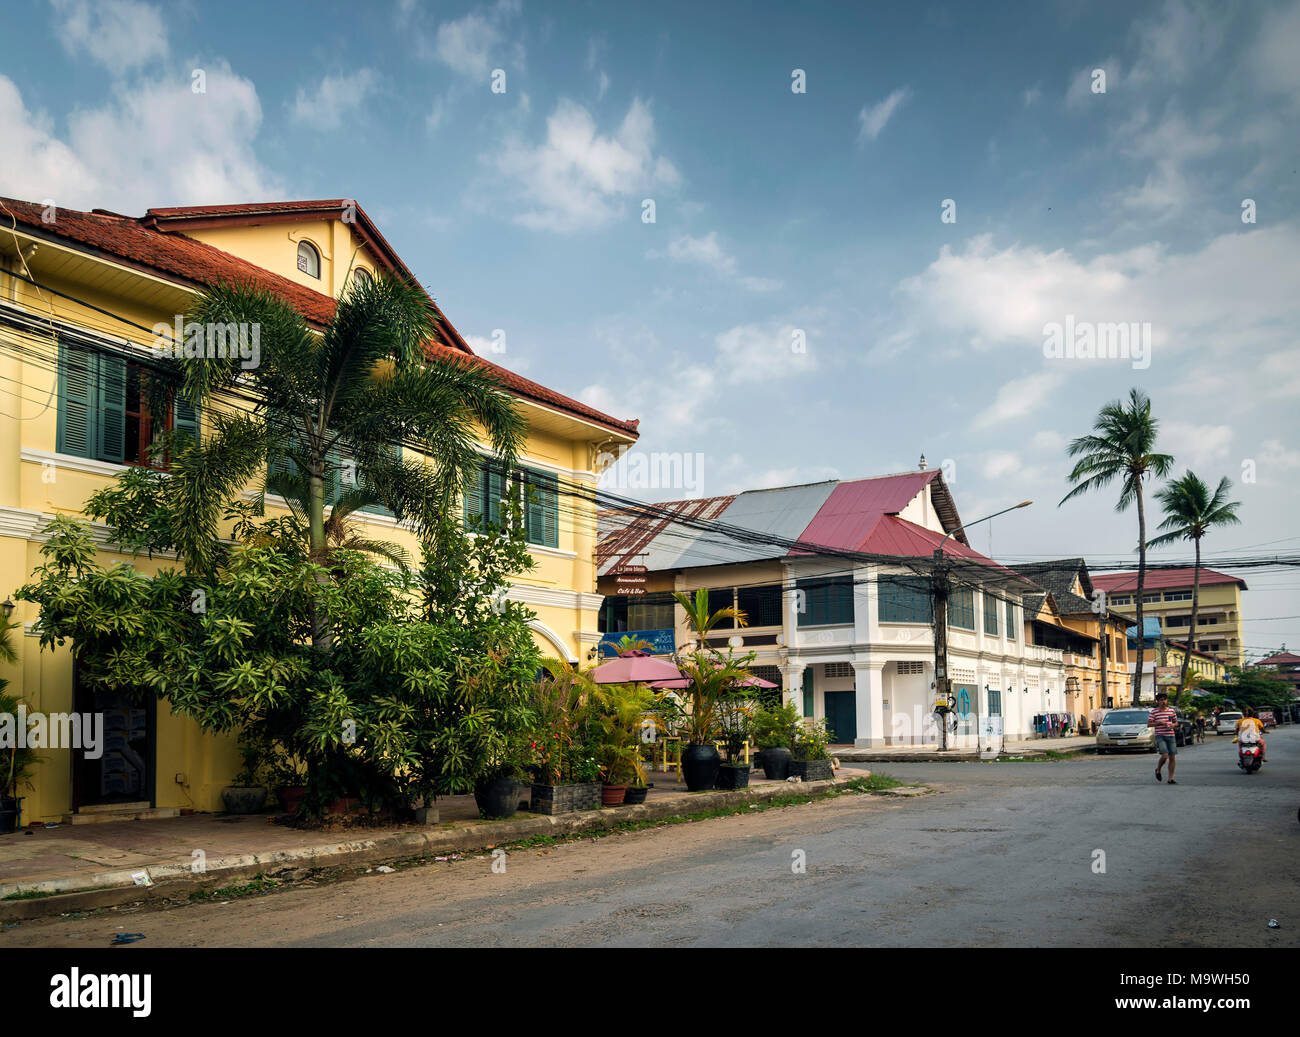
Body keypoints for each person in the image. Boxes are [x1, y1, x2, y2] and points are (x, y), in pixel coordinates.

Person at [1148, 692, 1179, 784]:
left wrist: (1173, 725)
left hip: (1171, 735)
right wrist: (1159, 723)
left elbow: (1176, 723)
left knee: (1172, 757)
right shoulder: (1154, 712)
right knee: (1165, 755)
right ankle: (1158, 769)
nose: (1163, 702)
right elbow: (1149, 724)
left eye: (1165, 699)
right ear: (1158, 701)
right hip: (1160, 735)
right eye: (1161, 700)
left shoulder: (1171, 711)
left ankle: (1170, 778)